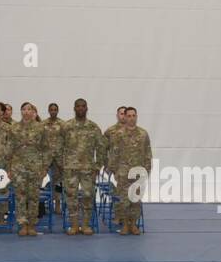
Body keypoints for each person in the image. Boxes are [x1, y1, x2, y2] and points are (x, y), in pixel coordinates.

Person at [59, 99, 105, 235]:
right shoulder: (67, 126)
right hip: (70, 169)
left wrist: (97, 166)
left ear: (86, 108)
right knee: (71, 197)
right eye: (78, 106)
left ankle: (85, 225)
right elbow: (59, 147)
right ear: (74, 108)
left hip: (88, 169)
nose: (80, 108)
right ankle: (73, 225)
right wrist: (62, 165)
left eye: (83, 106)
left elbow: (101, 148)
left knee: (88, 196)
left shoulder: (93, 127)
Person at [108, 107, 152, 235]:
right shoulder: (119, 134)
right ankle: (125, 224)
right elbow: (114, 153)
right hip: (123, 172)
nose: (131, 118)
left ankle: (133, 224)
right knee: (124, 200)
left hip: (139, 172)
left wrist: (147, 171)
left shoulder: (143, 134)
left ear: (136, 116)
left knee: (136, 200)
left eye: (134, 115)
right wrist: (115, 170)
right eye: (129, 116)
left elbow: (148, 154)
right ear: (125, 117)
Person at [11, 103, 49, 237]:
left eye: (29, 109)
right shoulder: (14, 128)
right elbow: (9, 149)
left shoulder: (41, 128)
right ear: (21, 112)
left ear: (33, 112)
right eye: (24, 109)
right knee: (20, 197)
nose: (26, 112)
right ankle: (23, 224)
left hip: (35, 167)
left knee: (33, 197)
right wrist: (9, 168)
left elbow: (46, 148)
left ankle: (32, 224)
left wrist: (44, 167)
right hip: (18, 167)